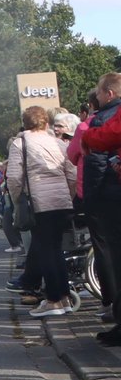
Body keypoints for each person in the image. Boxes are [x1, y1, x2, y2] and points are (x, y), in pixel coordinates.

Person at [8, 106, 76, 317]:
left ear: (25, 123)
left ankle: (54, 300)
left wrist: (18, 201)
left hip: (39, 203)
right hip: (62, 202)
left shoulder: (20, 144)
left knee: (46, 252)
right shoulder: (58, 143)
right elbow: (72, 174)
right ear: (46, 123)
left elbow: (14, 178)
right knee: (56, 250)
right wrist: (69, 196)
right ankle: (64, 297)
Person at [72, 74, 121, 343]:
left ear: (109, 94)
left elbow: (97, 158)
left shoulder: (103, 118)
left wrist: (89, 199)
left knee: (112, 255)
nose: (97, 98)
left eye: (100, 93)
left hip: (109, 198)